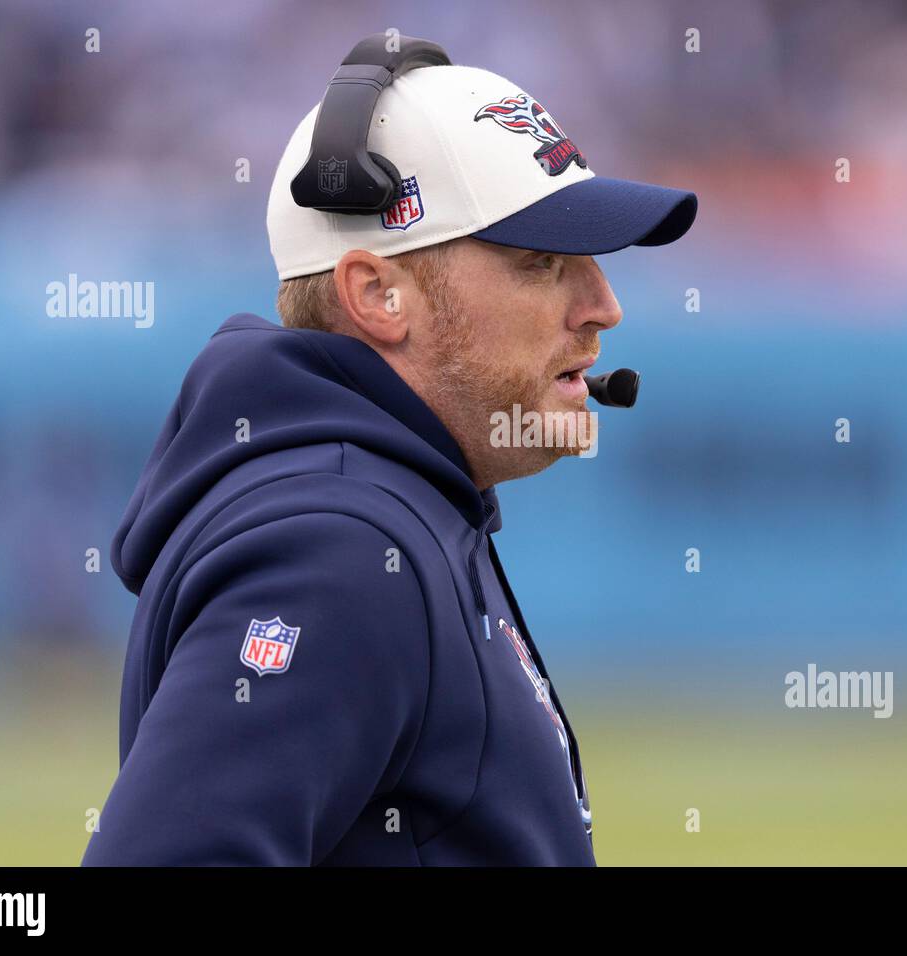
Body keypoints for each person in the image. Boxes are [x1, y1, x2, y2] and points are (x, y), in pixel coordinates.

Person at [82, 37, 696, 866]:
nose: (603, 306)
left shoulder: (389, 510)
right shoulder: (342, 549)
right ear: (378, 295)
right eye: (542, 262)